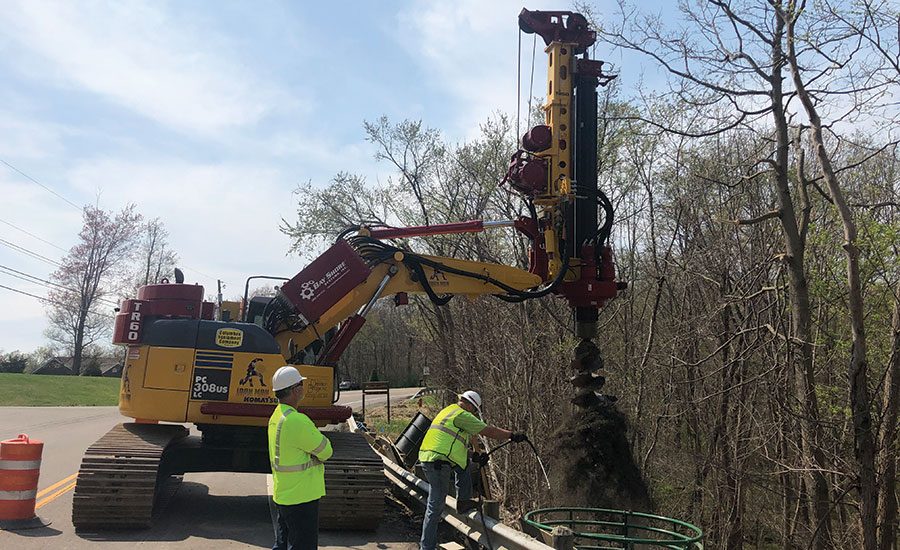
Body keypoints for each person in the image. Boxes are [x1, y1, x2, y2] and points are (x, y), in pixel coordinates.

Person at [418, 390, 528, 550]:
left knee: (463, 468)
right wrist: (512, 435)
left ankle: (463, 502)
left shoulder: (449, 410)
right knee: (435, 507)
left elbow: (460, 440)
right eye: (475, 410)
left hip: (432, 458)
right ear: (470, 405)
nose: (474, 413)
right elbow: (488, 431)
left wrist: (474, 455)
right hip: (439, 462)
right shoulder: (463, 414)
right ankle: (426, 547)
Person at [268, 366, 333, 550]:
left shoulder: (276, 416)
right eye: (301, 385)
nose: (303, 388)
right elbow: (327, 451)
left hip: (284, 494)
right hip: (302, 497)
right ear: (295, 390)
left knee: (282, 544)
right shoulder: (297, 421)